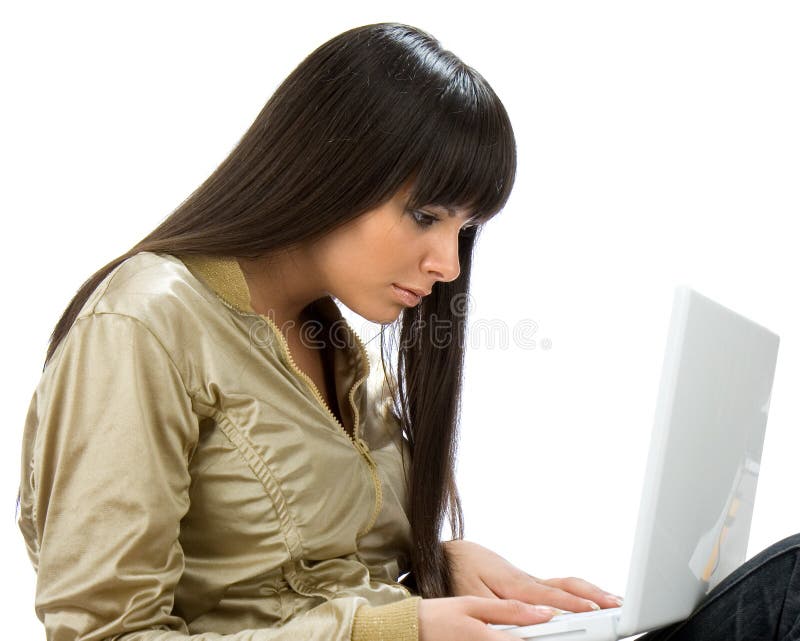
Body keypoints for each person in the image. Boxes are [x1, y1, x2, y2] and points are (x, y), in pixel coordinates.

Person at [15, 21, 800, 641]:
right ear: (324, 166)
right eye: (425, 216)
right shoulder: (147, 322)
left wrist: (438, 563)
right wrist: (395, 626)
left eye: (466, 230)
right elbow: (103, 634)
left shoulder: (333, 341)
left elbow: (311, 571)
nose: (448, 263)